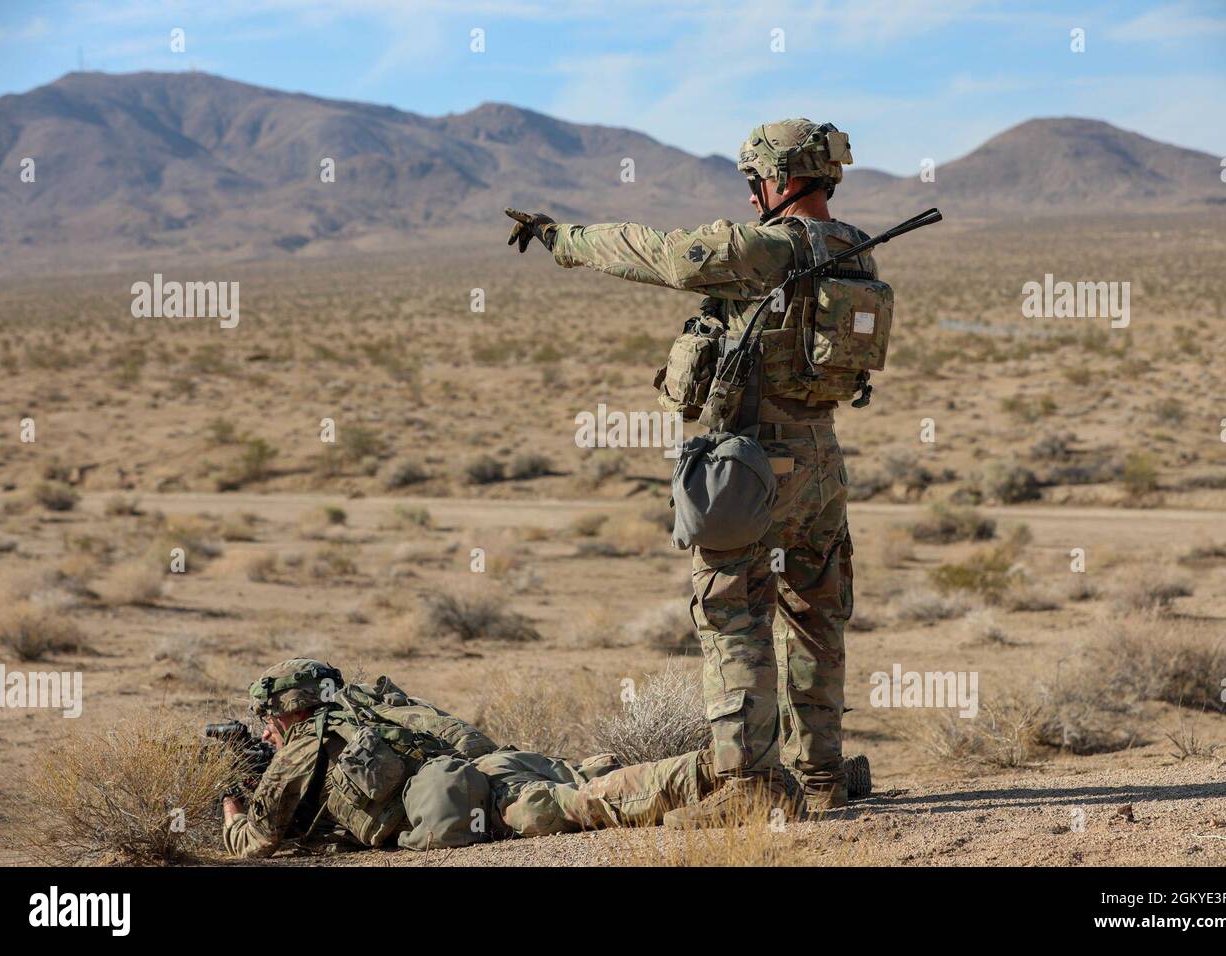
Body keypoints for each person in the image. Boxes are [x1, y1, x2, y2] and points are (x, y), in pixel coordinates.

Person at [505, 119, 877, 823]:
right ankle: (820, 772)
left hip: (749, 465)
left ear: (785, 178)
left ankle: (750, 785)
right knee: (816, 615)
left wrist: (565, 241)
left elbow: (661, 255)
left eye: (754, 182)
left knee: (732, 613)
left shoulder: (762, 247)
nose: (749, 196)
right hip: (822, 459)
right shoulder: (856, 249)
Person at [220, 660, 725, 858]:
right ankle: (720, 779)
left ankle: (714, 769)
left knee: (583, 805)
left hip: (480, 794)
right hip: (499, 763)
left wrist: (229, 800)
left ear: (288, 710)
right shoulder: (367, 704)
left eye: (267, 717)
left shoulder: (307, 741)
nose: (266, 730)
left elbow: (254, 843)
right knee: (591, 778)